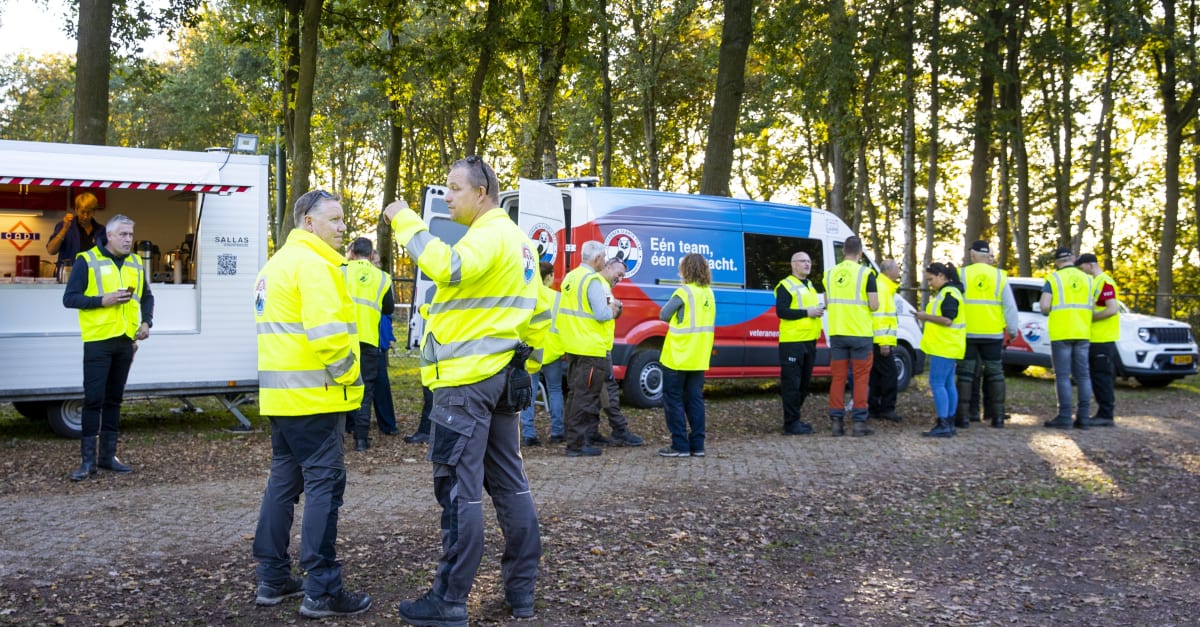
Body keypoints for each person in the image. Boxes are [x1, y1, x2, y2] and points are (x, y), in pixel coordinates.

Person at [385, 156, 542, 624]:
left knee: (461, 491)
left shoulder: (488, 235)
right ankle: (521, 592)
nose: (447, 196)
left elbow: (446, 266)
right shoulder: (520, 243)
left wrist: (404, 219)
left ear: (481, 192)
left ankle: (449, 599)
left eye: (455, 188)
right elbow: (539, 315)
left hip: (465, 384)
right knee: (511, 484)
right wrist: (521, 364)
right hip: (500, 380)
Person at [251, 190, 371, 618]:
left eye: (342, 219)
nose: (342, 227)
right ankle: (321, 589)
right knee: (325, 488)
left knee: (282, 486)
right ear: (308, 222)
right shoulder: (316, 266)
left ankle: (272, 577)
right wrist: (352, 376)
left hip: (282, 399)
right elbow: (329, 338)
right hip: (315, 397)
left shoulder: (275, 266)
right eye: (334, 220)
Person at [62, 214, 153, 481]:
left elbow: (147, 297)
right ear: (109, 236)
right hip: (98, 342)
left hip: (126, 341)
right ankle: (87, 462)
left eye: (130, 234)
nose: (128, 239)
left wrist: (146, 322)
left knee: (114, 400)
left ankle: (108, 457)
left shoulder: (135, 262)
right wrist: (103, 300)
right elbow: (70, 298)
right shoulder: (87, 260)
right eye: (123, 234)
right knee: (93, 400)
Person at [560, 242, 639, 456]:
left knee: (576, 395)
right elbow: (601, 314)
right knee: (586, 398)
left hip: (572, 345)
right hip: (591, 348)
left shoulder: (570, 277)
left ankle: (572, 437)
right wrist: (614, 309)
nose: (604, 262)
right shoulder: (592, 281)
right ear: (597, 258)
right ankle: (577, 444)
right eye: (603, 258)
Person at [955, 241, 1020, 429]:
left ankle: (963, 417)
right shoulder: (999, 276)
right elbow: (1009, 306)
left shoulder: (962, 274)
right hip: (992, 334)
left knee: (966, 374)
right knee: (995, 374)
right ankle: (998, 417)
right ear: (987, 256)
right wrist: (1012, 330)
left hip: (968, 332)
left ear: (973, 255)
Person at [657, 253, 716, 457]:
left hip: (678, 355)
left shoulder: (684, 292)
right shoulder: (709, 293)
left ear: (685, 270)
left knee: (674, 400)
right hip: (699, 356)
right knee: (695, 400)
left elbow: (663, 314)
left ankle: (680, 445)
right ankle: (698, 445)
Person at [824, 236, 879, 436]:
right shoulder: (866, 274)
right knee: (861, 379)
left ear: (843, 252)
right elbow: (874, 305)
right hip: (860, 334)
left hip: (837, 332)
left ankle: (836, 423)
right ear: (860, 253)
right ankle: (859, 423)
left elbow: (827, 303)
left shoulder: (829, 274)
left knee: (838, 378)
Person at [344, 237, 396, 451]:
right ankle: (361, 440)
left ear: (352, 252)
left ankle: (337, 437)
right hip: (368, 340)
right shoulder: (383, 277)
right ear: (371, 253)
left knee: (339, 387)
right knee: (365, 391)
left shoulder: (340, 270)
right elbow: (388, 308)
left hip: (342, 338)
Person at [591, 257, 645, 447]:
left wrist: (616, 308)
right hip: (598, 347)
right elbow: (603, 314)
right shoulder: (599, 285)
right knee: (608, 389)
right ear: (607, 267)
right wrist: (615, 308)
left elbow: (610, 313)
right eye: (619, 274)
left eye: (622, 276)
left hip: (598, 346)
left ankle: (592, 431)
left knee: (596, 391)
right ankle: (619, 430)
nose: (620, 278)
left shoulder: (601, 284)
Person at [1039, 247, 1094, 430]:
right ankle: (1084, 417)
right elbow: (1093, 305)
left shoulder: (1053, 278)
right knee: (1083, 375)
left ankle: (1064, 416)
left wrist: (1050, 310)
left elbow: (1044, 305)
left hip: (1061, 332)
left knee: (1063, 376)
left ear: (1056, 262)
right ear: (1073, 258)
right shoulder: (1088, 279)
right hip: (1083, 331)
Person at [914, 263, 966, 437]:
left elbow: (947, 320)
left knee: (937, 384)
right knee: (948, 384)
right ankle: (949, 422)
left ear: (942, 276)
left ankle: (943, 423)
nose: (929, 284)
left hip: (943, 346)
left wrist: (925, 316)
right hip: (949, 345)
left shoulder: (949, 294)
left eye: (931, 279)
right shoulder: (950, 292)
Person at [775, 250, 824, 435]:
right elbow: (782, 311)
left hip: (809, 341)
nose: (807, 264)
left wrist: (817, 311)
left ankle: (795, 419)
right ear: (794, 264)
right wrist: (807, 313)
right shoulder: (785, 285)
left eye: (809, 261)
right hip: (792, 342)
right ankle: (791, 424)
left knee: (804, 384)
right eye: (803, 261)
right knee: (792, 385)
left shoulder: (809, 285)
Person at [520, 261, 565, 446]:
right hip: (553, 350)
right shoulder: (559, 298)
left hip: (532, 350)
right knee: (555, 390)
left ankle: (528, 434)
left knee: (529, 392)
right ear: (549, 277)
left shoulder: (528, 295)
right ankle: (557, 432)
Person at [1076, 253, 1119, 427]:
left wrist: (1091, 318)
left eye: (1082, 267)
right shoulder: (1096, 282)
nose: (1081, 271)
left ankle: (1106, 414)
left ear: (1090, 265)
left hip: (1102, 338)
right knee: (1097, 376)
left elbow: (1112, 309)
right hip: (1095, 338)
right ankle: (1103, 412)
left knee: (1102, 377)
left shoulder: (1104, 282)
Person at [868, 259, 903, 423]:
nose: (898, 271)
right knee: (890, 375)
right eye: (896, 268)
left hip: (876, 340)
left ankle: (874, 408)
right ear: (888, 271)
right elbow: (879, 317)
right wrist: (884, 342)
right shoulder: (882, 288)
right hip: (881, 341)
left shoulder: (883, 286)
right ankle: (887, 408)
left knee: (876, 375)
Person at [48, 191, 100, 278]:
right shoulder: (64, 226)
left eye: (89, 212)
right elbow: (51, 250)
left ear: (94, 212)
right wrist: (64, 229)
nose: (85, 216)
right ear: (76, 210)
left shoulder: (101, 230)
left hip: (93, 277)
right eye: (82, 212)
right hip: (69, 277)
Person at [373, 309, 400, 435]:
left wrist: (389, 336)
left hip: (379, 347)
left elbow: (386, 315)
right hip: (361, 345)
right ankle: (353, 425)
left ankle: (387, 424)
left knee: (382, 387)